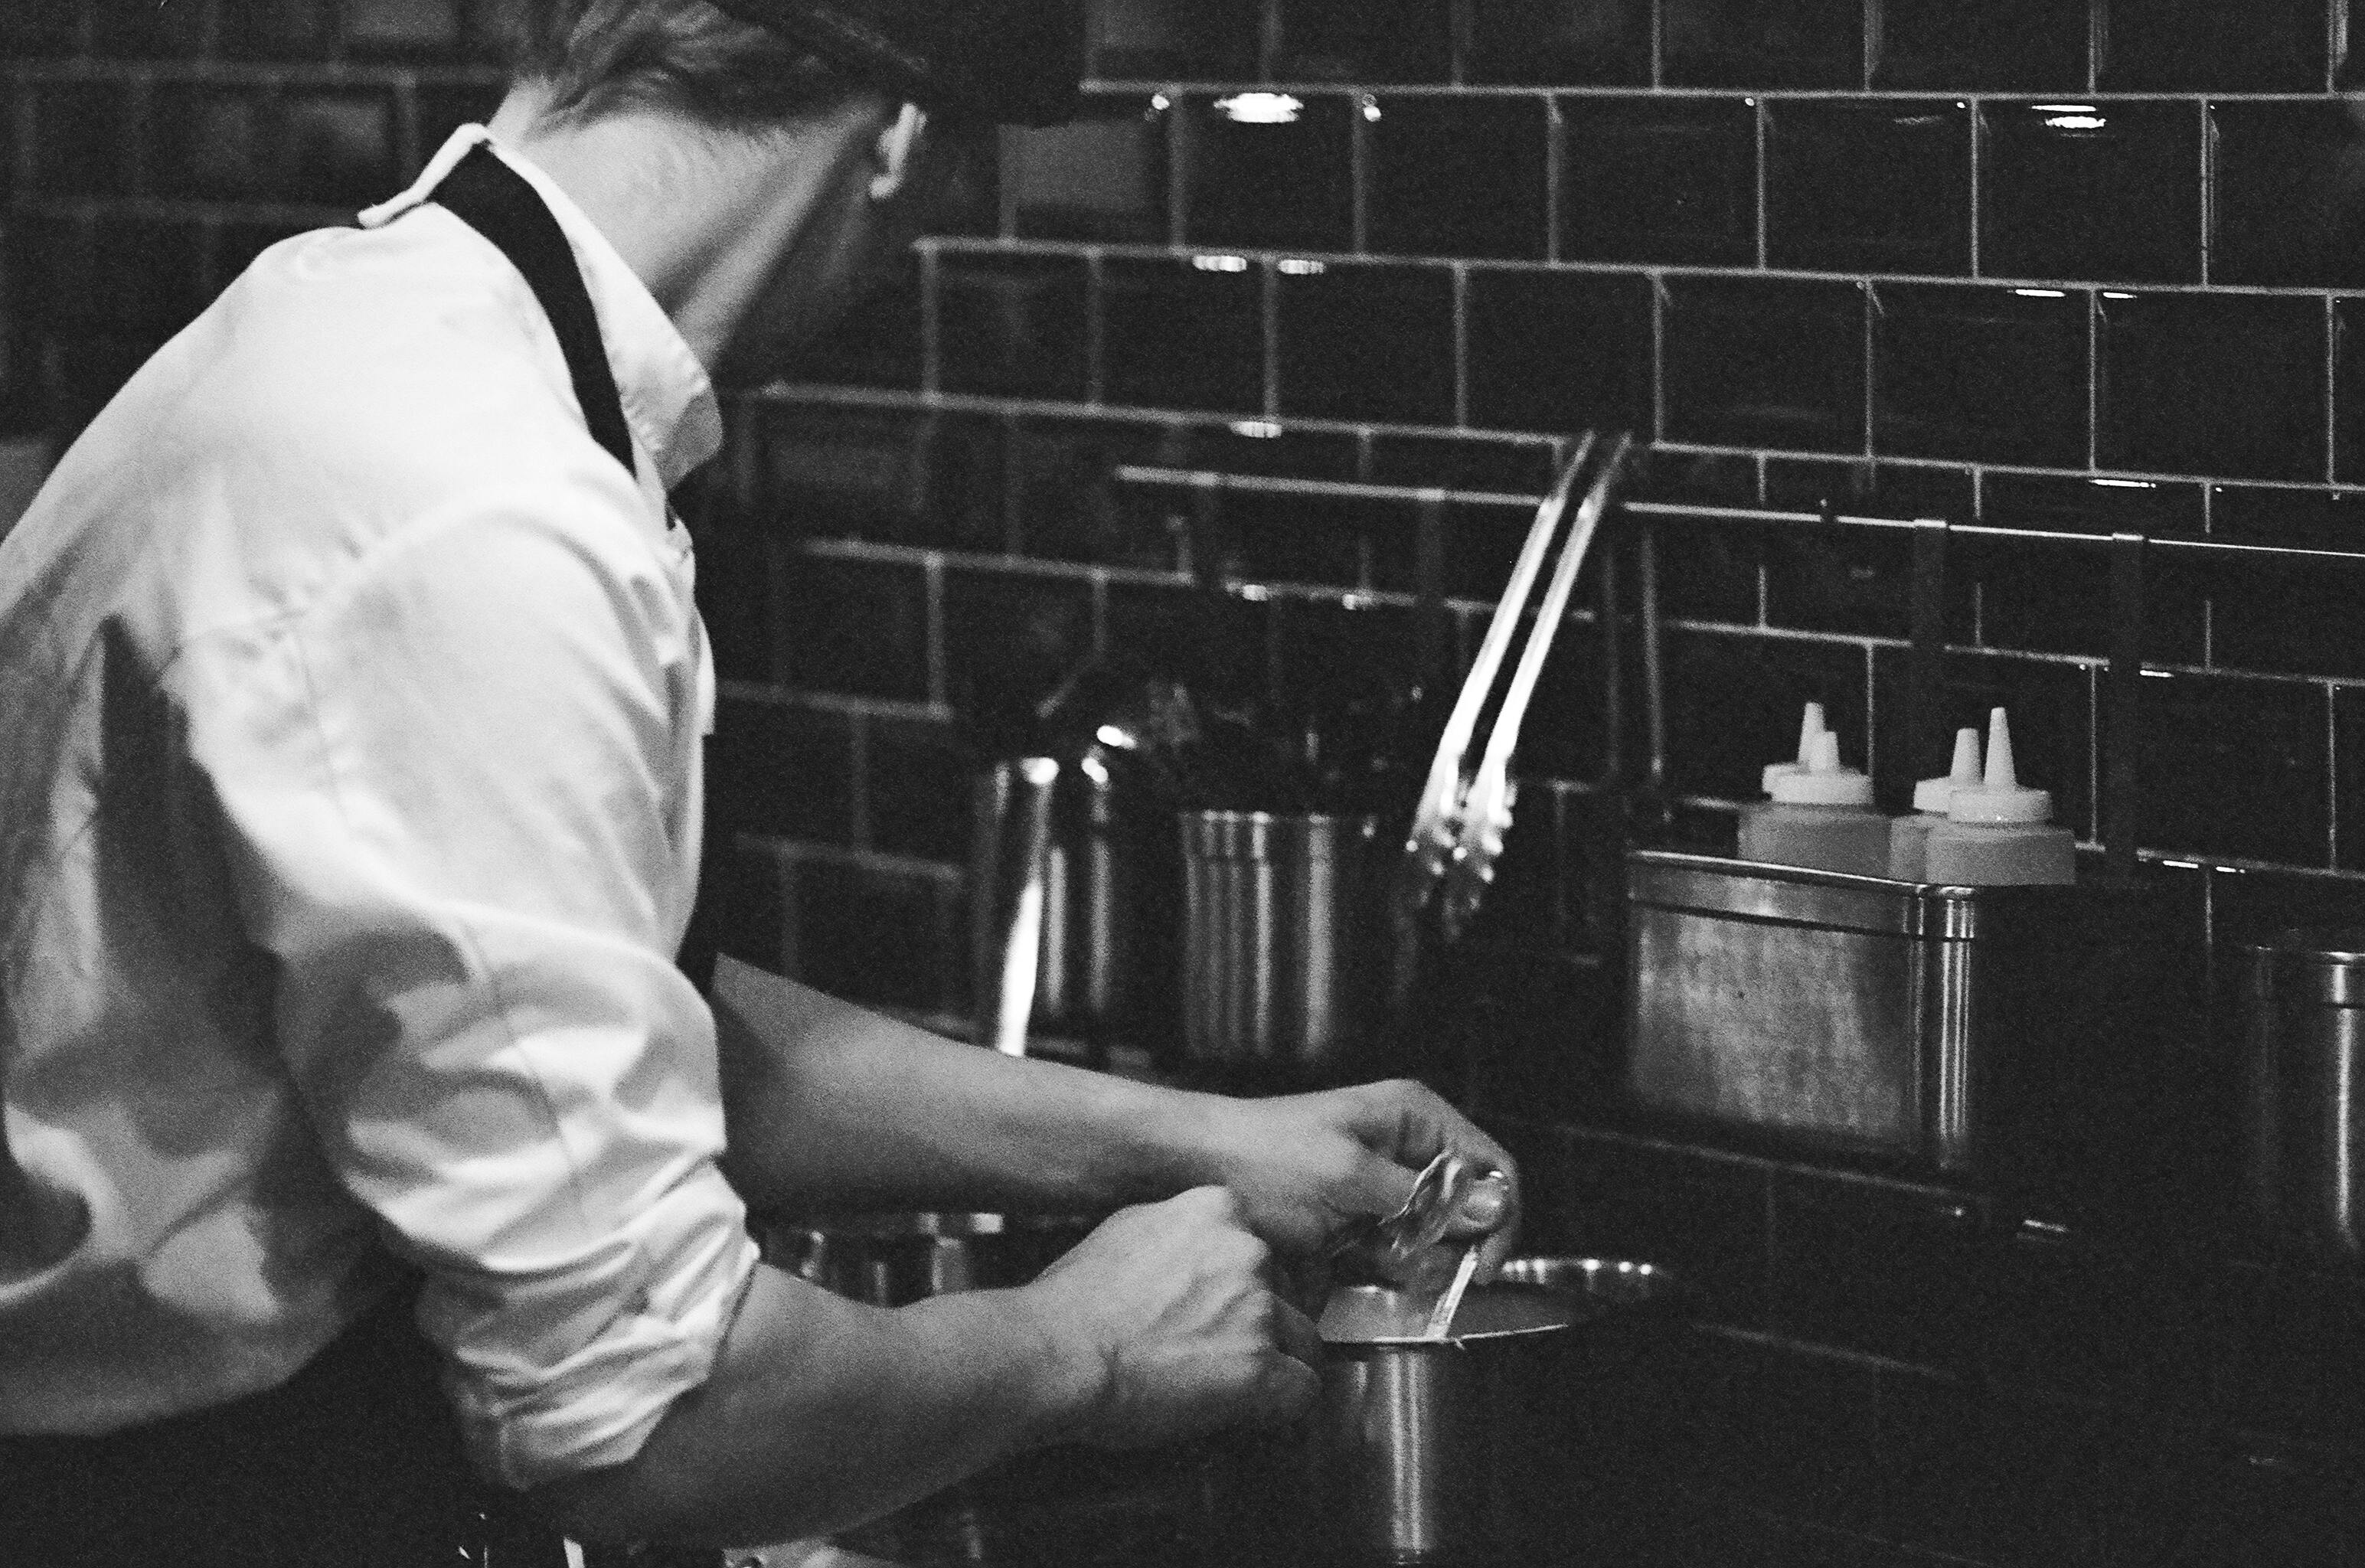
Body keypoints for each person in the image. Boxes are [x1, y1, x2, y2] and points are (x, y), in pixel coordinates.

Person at [0, 2, 1520, 1562]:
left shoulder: (365, 329)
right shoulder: (473, 520)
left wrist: (1195, 1137)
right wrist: (1085, 1345)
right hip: (190, 1511)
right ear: (903, 144)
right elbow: (652, 1424)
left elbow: (561, 1029)